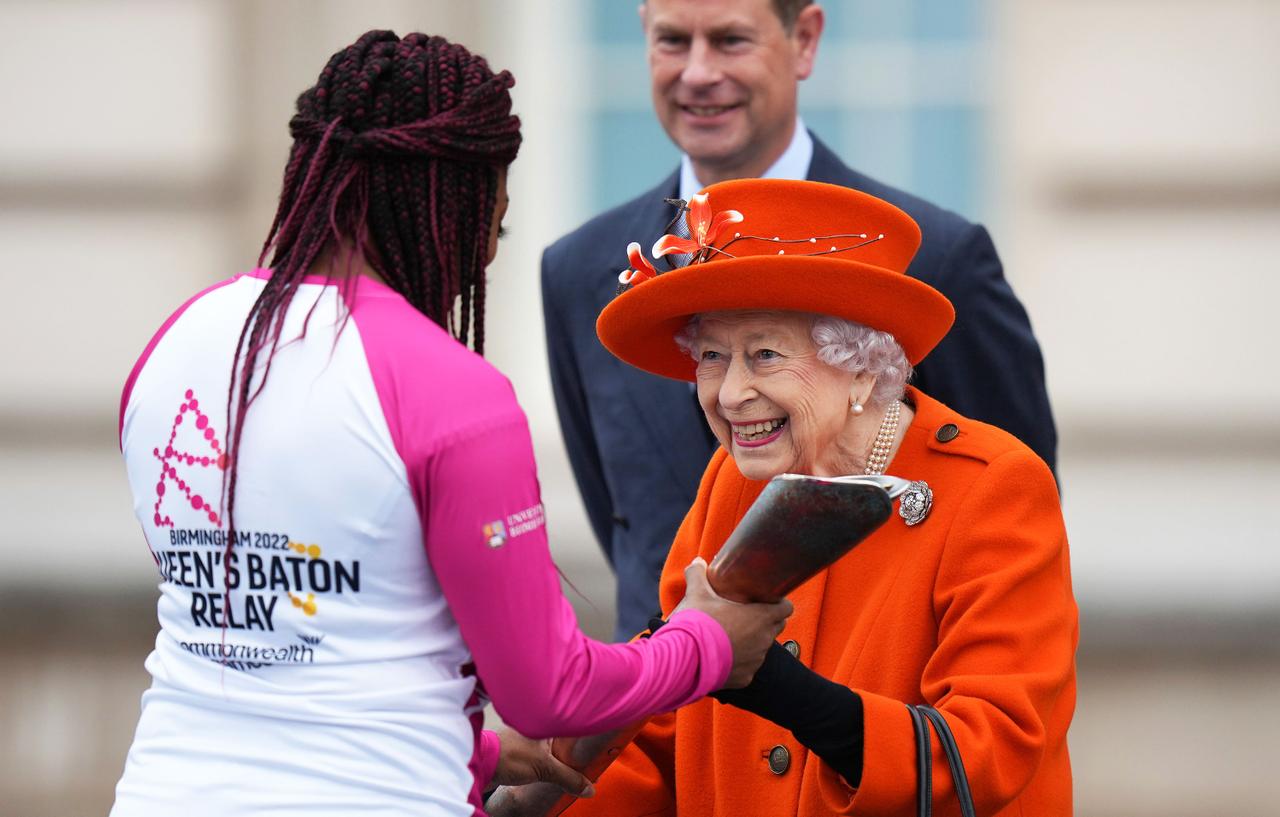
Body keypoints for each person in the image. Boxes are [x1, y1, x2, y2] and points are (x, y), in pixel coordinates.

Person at [111, 30, 790, 816]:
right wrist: (709, 642)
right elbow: (551, 689)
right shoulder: (450, 389)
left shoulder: (176, 343)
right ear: (451, 202)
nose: (481, 262)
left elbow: (285, 653)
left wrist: (482, 747)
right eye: (490, 228)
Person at [541, 0, 1058, 641]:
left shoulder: (936, 258)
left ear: (805, 40)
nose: (698, 73)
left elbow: (1013, 508)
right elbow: (614, 510)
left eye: (730, 40)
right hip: (664, 718)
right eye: (672, 41)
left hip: (876, 709)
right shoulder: (577, 270)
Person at [558, 178, 1077, 814]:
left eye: (766, 354)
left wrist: (780, 689)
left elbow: (991, 749)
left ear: (861, 365)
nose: (728, 394)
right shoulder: (729, 481)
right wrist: (538, 784)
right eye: (714, 356)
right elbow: (664, 734)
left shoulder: (992, 484)